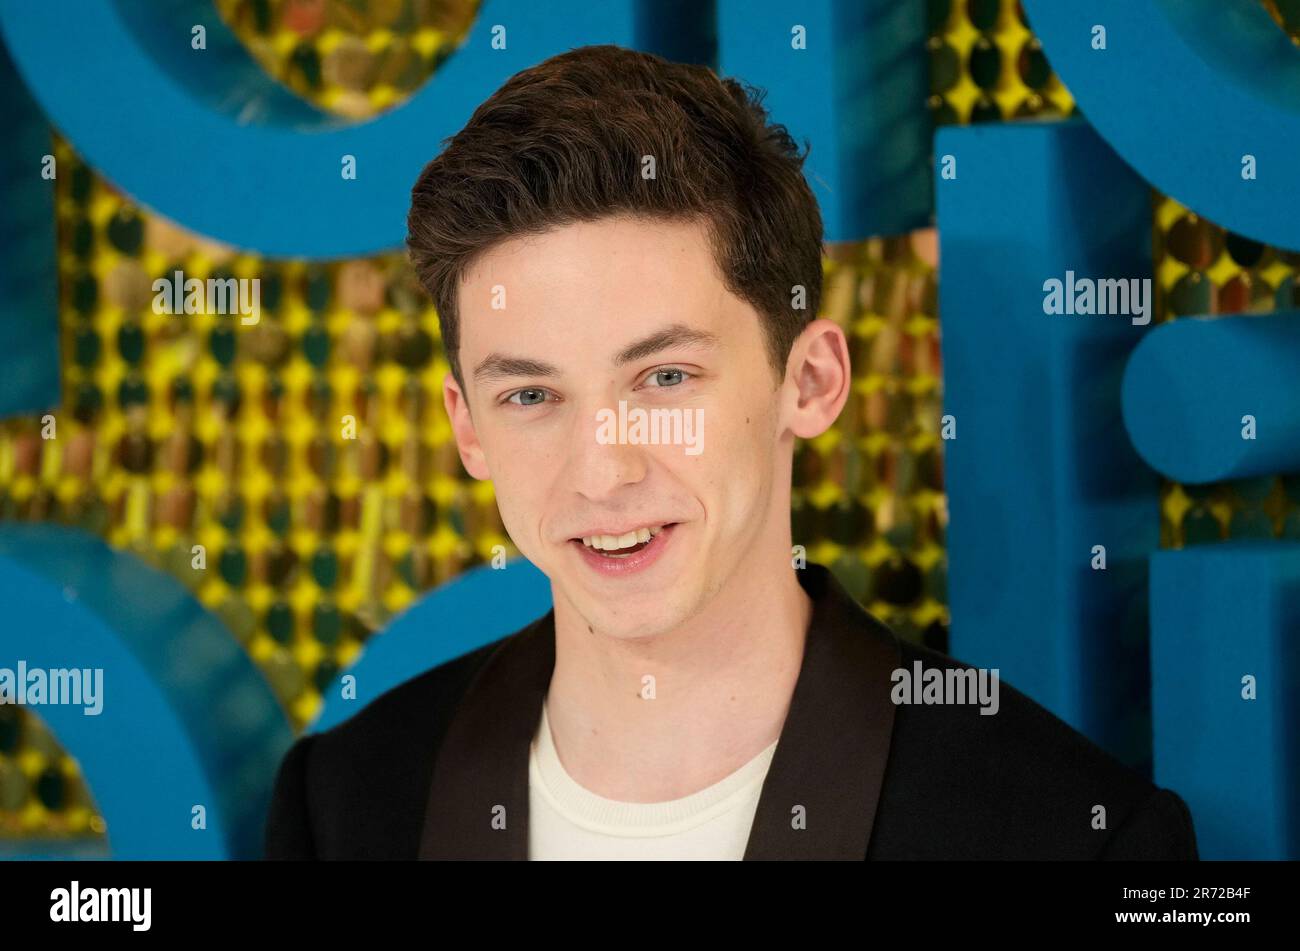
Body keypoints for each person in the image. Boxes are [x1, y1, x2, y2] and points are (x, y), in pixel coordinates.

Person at [264, 44, 1197, 861]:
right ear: (469, 426)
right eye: (533, 395)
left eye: (664, 378)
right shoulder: (346, 802)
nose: (603, 471)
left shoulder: (1071, 838)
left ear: (811, 381)